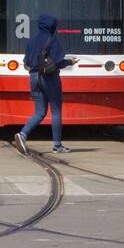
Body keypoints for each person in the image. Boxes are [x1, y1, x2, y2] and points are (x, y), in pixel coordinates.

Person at [13, 14, 78, 155]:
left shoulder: (31, 41)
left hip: (33, 78)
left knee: (40, 112)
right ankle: (57, 145)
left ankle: (23, 134)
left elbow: (26, 64)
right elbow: (59, 62)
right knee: (56, 110)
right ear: (52, 26)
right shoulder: (52, 40)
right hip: (49, 78)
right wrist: (70, 62)